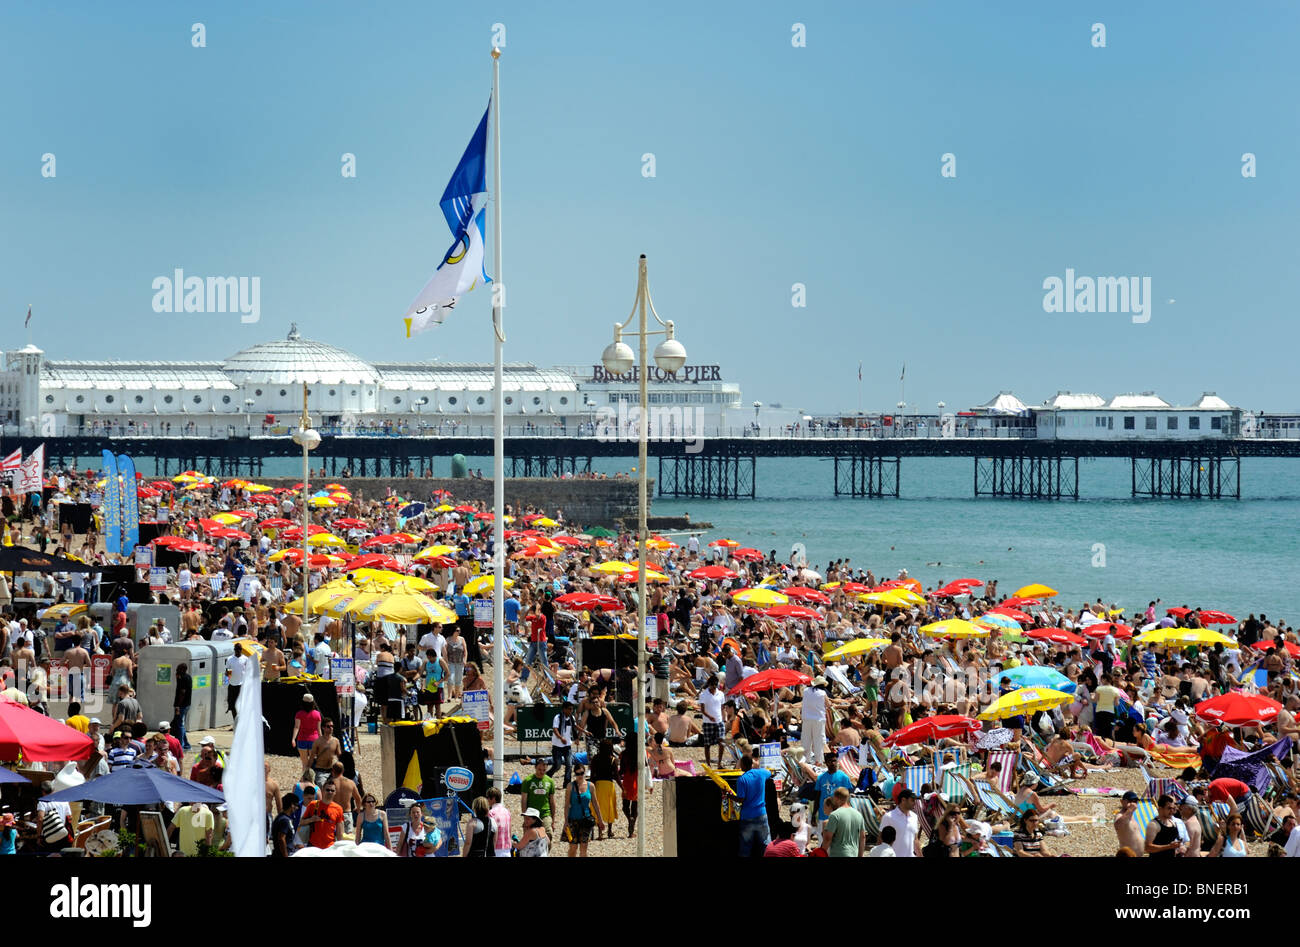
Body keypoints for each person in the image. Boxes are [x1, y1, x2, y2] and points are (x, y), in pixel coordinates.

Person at [735, 755, 772, 857]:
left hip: (747, 816)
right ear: (752, 764)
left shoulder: (741, 779)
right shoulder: (761, 773)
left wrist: (729, 796)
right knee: (766, 843)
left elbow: (741, 799)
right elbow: (769, 772)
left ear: (742, 765)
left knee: (745, 846)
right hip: (761, 814)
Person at [822, 787, 866, 858]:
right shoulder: (858, 815)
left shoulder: (835, 815)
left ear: (836, 798)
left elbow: (828, 838)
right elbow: (863, 837)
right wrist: (860, 855)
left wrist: (822, 852)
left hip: (838, 853)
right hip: (854, 852)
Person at [562, 763, 595, 857]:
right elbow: (567, 805)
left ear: (584, 772)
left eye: (581, 773)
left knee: (584, 847)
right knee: (573, 847)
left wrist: (600, 821)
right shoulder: (570, 786)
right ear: (575, 774)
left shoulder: (591, 786)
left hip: (586, 820)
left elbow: (595, 804)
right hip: (572, 820)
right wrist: (565, 821)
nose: (580, 776)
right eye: (577, 774)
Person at [302, 780, 345, 849]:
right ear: (322, 791)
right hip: (313, 846)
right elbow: (301, 822)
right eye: (327, 790)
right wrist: (311, 819)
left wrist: (340, 848)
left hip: (329, 847)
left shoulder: (338, 809)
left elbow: (340, 833)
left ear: (335, 792)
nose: (330, 792)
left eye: (332, 790)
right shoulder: (313, 805)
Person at [520, 756, 557, 836]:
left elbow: (552, 801)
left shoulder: (550, 782)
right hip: (531, 814)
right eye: (539, 770)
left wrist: (553, 820)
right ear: (535, 767)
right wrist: (525, 817)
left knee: (548, 833)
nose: (542, 772)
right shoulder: (527, 781)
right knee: (530, 837)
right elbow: (524, 801)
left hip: (545, 813)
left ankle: (546, 848)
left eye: (544, 770)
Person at [880, 788, 920, 857]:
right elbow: (880, 840)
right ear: (903, 800)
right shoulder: (888, 817)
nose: (914, 803)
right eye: (912, 800)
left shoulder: (914, 817)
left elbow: (915, 840)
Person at [292, 694, 322, 775]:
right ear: (312, 702)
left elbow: (296, 727)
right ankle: (312, 781)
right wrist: (322, 740)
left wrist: (293, 739)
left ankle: (303, 781)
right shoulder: (317, 714)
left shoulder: (299, 714)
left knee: (304, 764)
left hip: (302, 739)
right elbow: (318, 729)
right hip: (314, 740)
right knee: (312, 763)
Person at [698, 675, 725, 767]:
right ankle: (708, 764)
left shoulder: (721, 694)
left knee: (722, 742)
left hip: (719, 721)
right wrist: (709, 717)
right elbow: (702, 709)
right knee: (707, 744)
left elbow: (722, 707)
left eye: (716, 685)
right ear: (709, 684)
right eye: (713, 685)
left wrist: (724, 718)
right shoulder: (703, 695)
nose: (714, 686)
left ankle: (719, 763)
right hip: (707, 722)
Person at [549, 702, 577, 788]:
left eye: (572, 709)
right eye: (569, 709)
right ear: (564, 709)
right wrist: (561, 738)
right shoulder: (558, 717)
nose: (571, 711)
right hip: (557, 746)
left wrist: (584, 731)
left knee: (569, 764)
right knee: (557, 765)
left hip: (567, 745)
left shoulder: (571, 718)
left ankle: (567, 783)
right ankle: (547, 775)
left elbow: (575, 726)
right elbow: (555, 729)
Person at [486, 787, 512, 858]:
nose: (487, 800)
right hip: (507, 848)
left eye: (488, 797)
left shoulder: (491, 813)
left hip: (496, 849)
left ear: (493, 798)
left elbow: (490, 832)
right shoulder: (507, 812)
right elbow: (510, 830)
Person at [172, 662, 193, 750]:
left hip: (181, 705)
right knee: (181, 724)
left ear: (182, 670)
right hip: (187, 704)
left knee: (180, 724)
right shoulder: (188, 677)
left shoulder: (183, 679)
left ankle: (180, 744)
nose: (176, 671)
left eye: (178, 669)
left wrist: (178, 706)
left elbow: (182, 693)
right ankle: (186, 744)